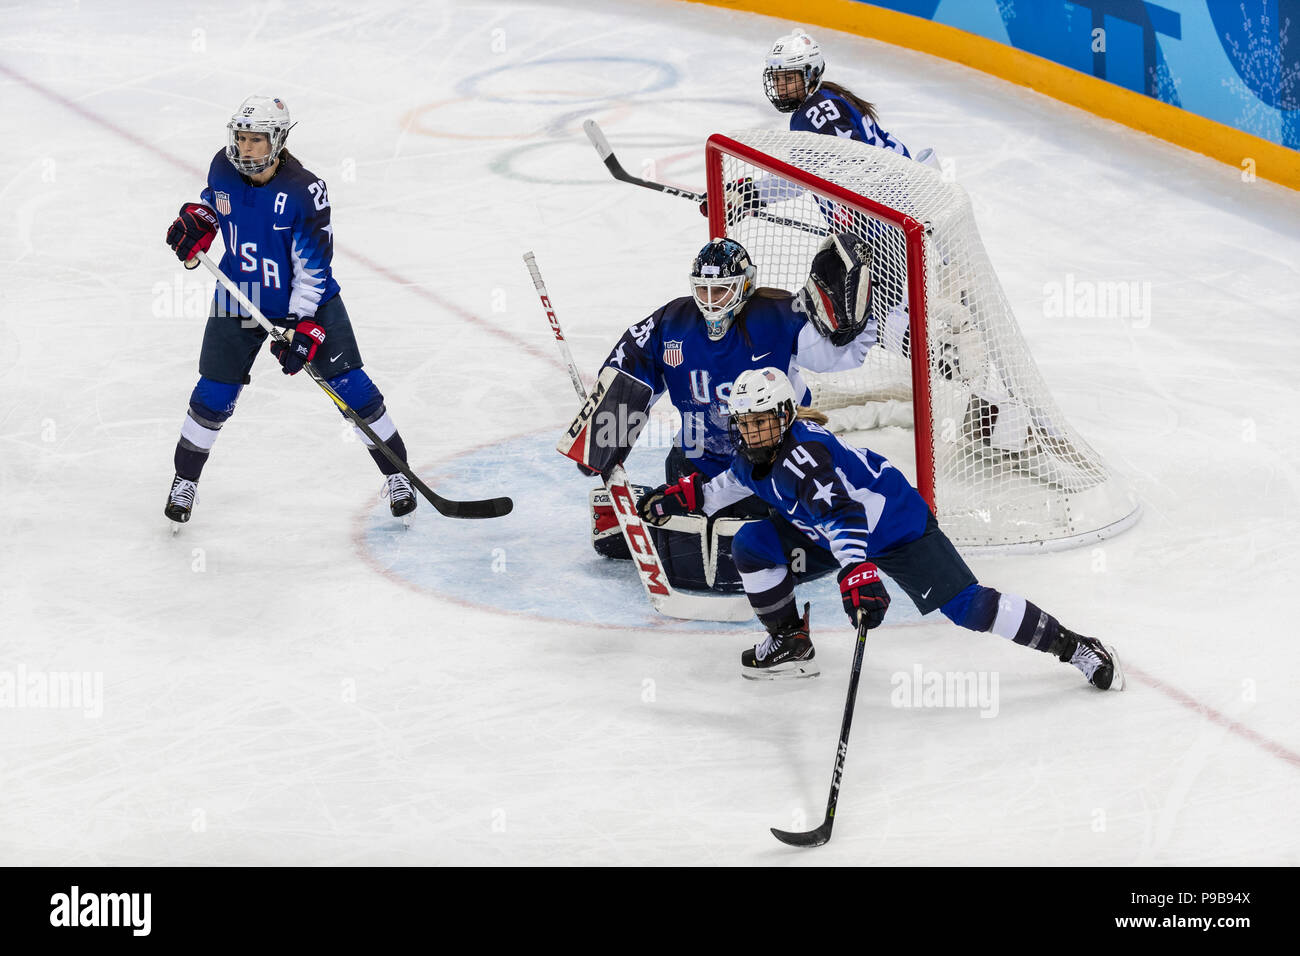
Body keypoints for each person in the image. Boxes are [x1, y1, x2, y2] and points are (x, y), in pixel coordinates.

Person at [637, 366, 1125, 690]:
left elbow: (845, 515)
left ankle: (1073, 645)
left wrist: (858, 573)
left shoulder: (804, 460)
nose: (752, 431)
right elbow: (725, 487)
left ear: (784, 417)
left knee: (967, 607)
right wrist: (679, 498)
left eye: (762, 421)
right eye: (745, 421)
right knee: (753, 542)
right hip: (822, 531)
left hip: (895, 527)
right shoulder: (754, 454)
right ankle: (790, 640)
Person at [572, 232, 877, 591]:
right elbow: (632, 369)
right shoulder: (672, 322)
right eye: (703, 290)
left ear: (745, 286)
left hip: (770, 466)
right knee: (691, 563)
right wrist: (604, 435)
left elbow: (844, 356)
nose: (711, 301)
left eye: (721, 291)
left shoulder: (778, 318)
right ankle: (644, 515)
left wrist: (858, 318)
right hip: (696, 461)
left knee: (753, 555)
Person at [163, 95, 416, 527]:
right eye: (241, 138)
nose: (245, 148)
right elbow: (216, 202)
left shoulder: (304, 191)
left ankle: (399, 476)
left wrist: (303, 326)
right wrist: (199, 219)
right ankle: (184, 480)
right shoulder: (222, 167)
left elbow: (313, 269)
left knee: (352, 388)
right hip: (240, 294)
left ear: (277, 141)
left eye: (256, 140)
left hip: (308, 300)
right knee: (214, 394)